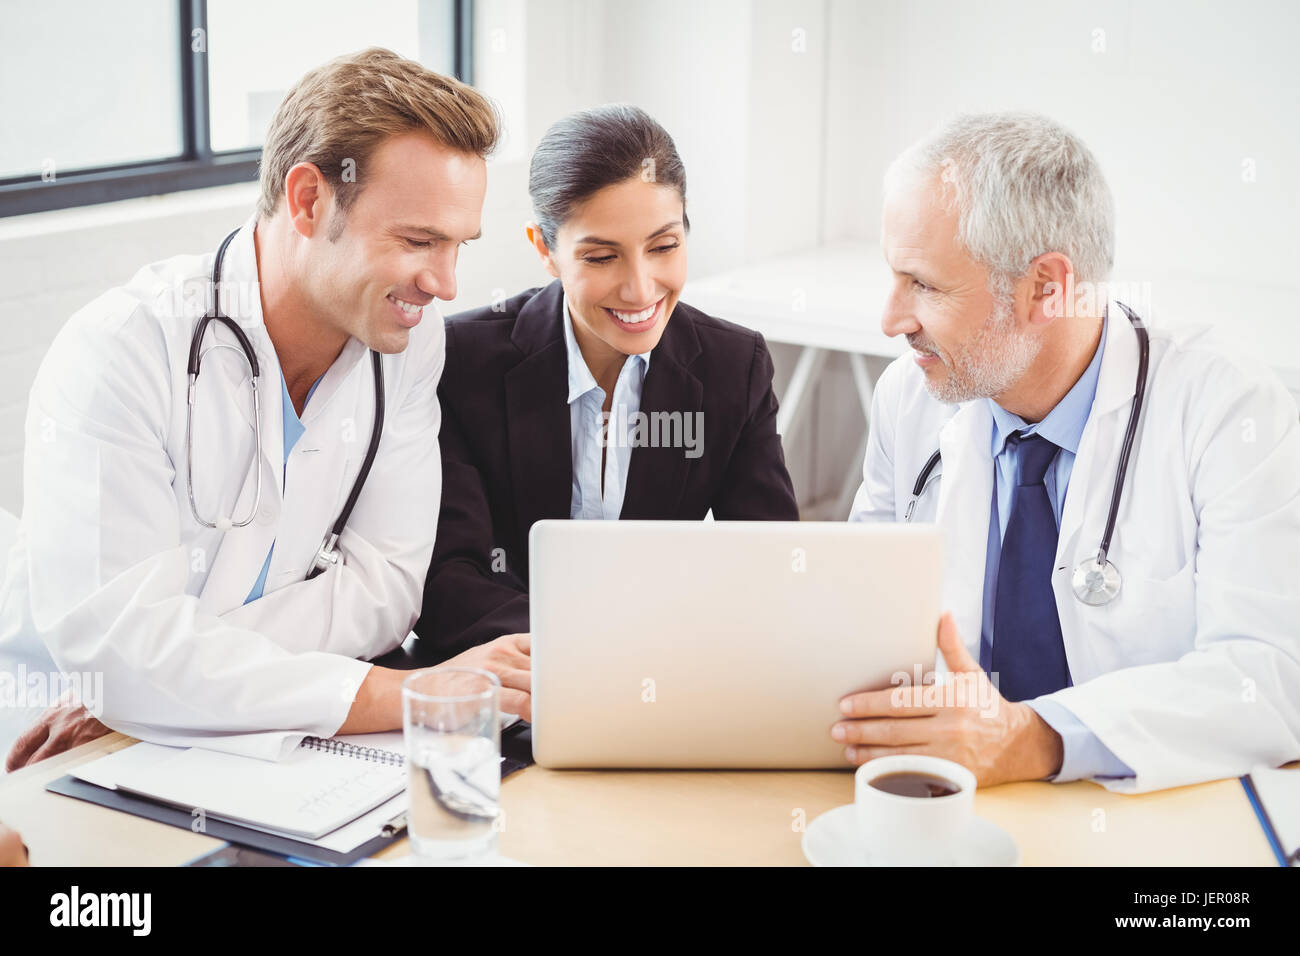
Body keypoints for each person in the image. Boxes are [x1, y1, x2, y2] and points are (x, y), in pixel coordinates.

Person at [0, 48, 531, 769]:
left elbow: (387, 585)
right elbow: (119, 651)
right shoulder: (120, 350)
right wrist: (406, 692)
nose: (444, 282)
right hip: (62, 740)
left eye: (458, 245)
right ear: (310, 201)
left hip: (245, 735)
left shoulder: (406, 340)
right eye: (417, 241)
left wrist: (180, 672)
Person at [838, 111, 1300, 793]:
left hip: (1151, 817)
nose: (890, 320)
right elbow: (856, 609)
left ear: (1046, 288)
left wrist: (1035, 740)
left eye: (925, 285)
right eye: (894, 277)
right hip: (947, 798)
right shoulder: (912, 397)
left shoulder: (1229, 407)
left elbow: (1270, 678)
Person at [415, 105, 799, 660]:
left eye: (664, 247)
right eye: (600, 256)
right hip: (516, 673)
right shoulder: (461, 361)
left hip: (665, 673)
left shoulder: (733, 366)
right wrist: (592, 650)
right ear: (545, 250)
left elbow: (770, 561)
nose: (641, 290)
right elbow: (449, 580)